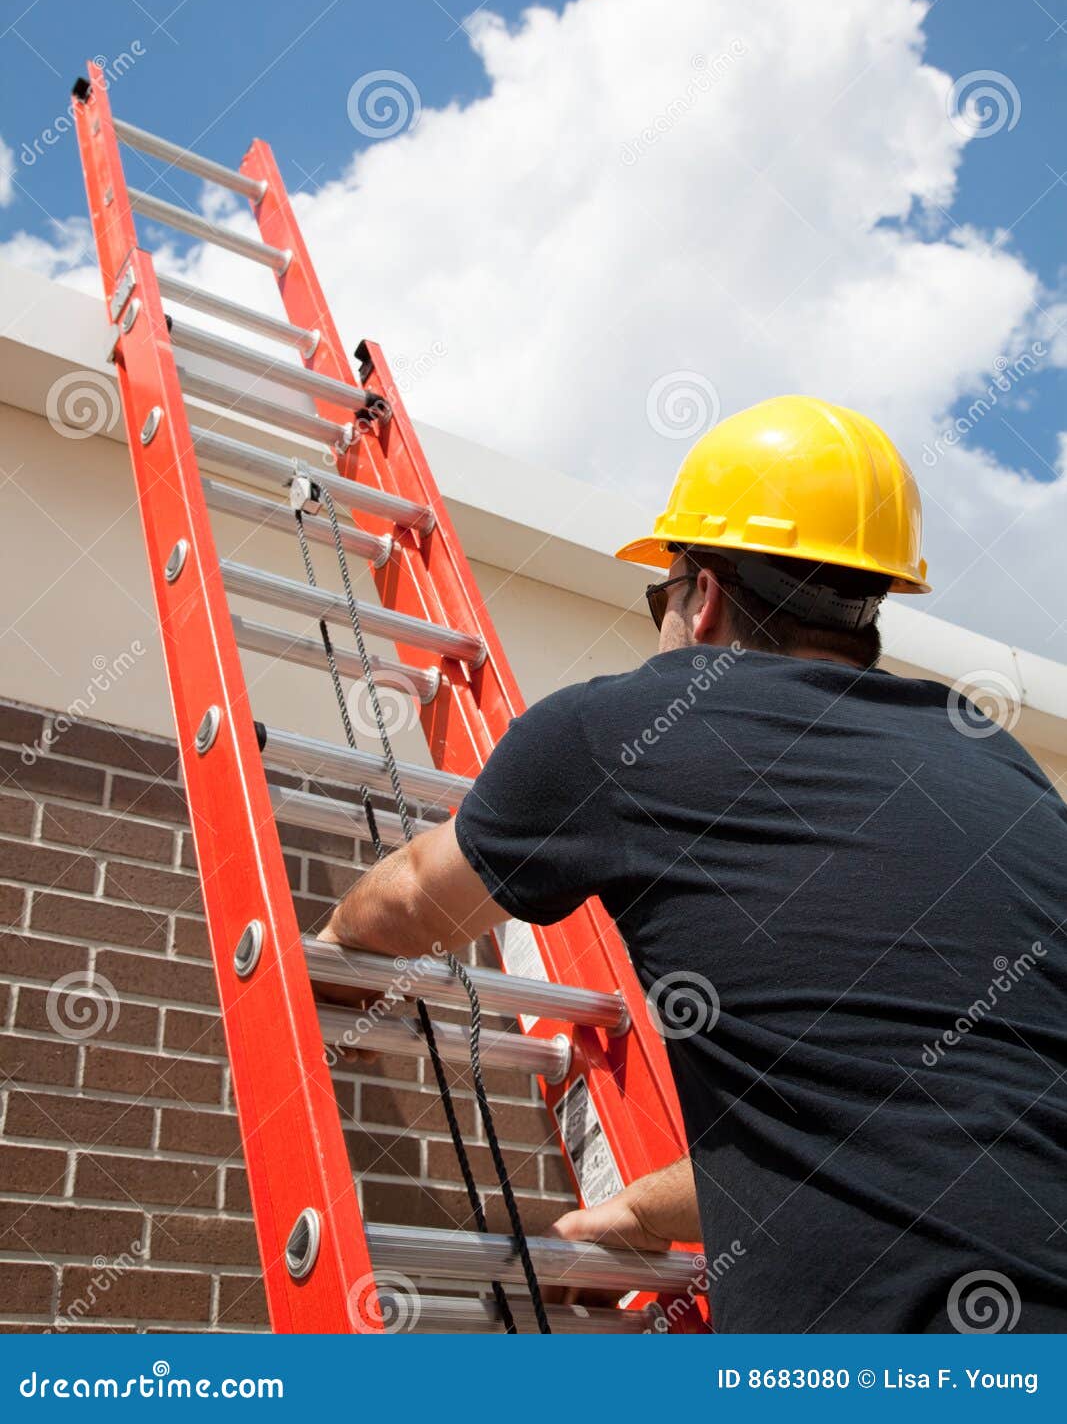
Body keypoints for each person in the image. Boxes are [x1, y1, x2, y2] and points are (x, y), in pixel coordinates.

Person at [320, 395, 1067, 1332]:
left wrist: (326, 952)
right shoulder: (993, 759)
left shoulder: (618, 728)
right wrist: (638, 1212)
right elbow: (906, 1111)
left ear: (700, 593)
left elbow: (409, 909)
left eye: (656, 597)